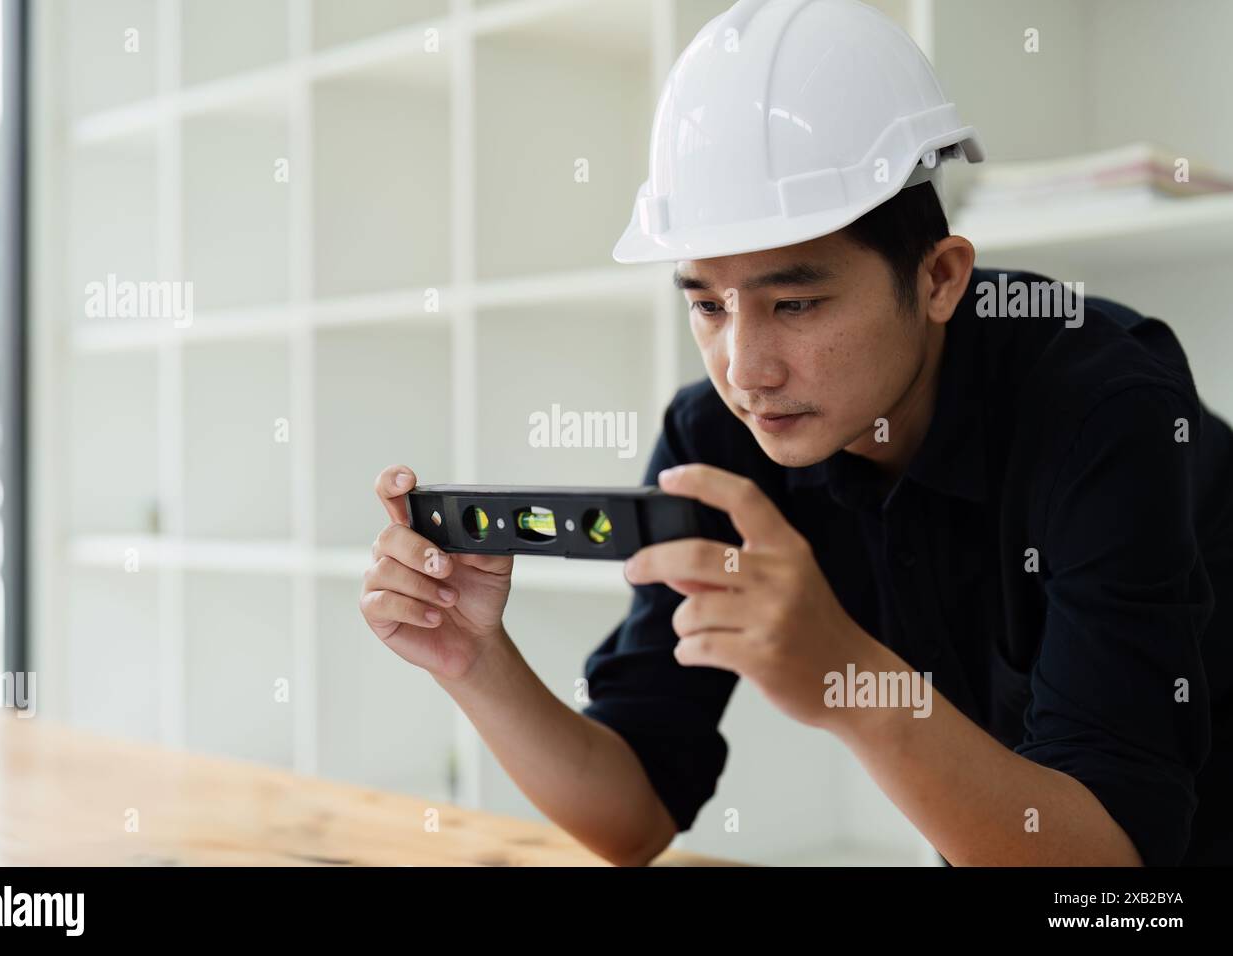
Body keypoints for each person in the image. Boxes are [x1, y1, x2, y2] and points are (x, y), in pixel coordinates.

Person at [361, 0, 1232, 865]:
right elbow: (632, 816)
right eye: (707, 305)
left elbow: (1114, 883)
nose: (745, 369)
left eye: (796, 303)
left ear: (938, 278)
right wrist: (474, 659)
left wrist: (846, 681)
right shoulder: (719, 437)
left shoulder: (1106, 412)